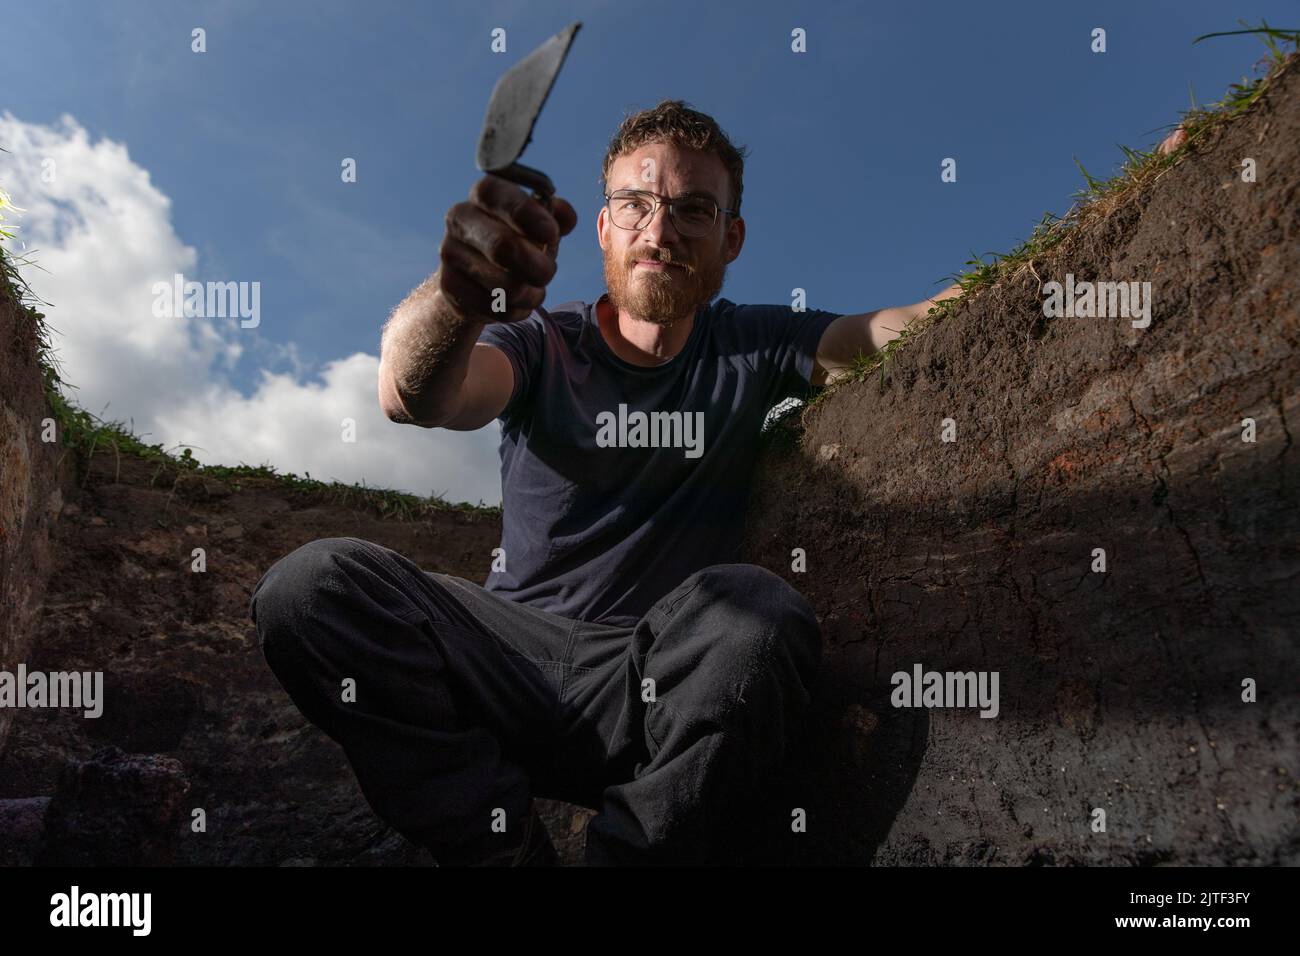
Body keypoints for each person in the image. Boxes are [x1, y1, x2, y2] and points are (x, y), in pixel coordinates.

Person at [249, 100, 960, 866]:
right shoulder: (543, 341)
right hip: (506, 663)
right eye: (636, 204)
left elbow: (889, 330)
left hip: (645, 683)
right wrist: (459, 294)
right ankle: (504, 850)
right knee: (310, 587)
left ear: (731, 237)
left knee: (759, 611)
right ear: (603, 226)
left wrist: (1047, 274)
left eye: (693, 209)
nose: (660, 231)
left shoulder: (753, 342)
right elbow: (414, 397)